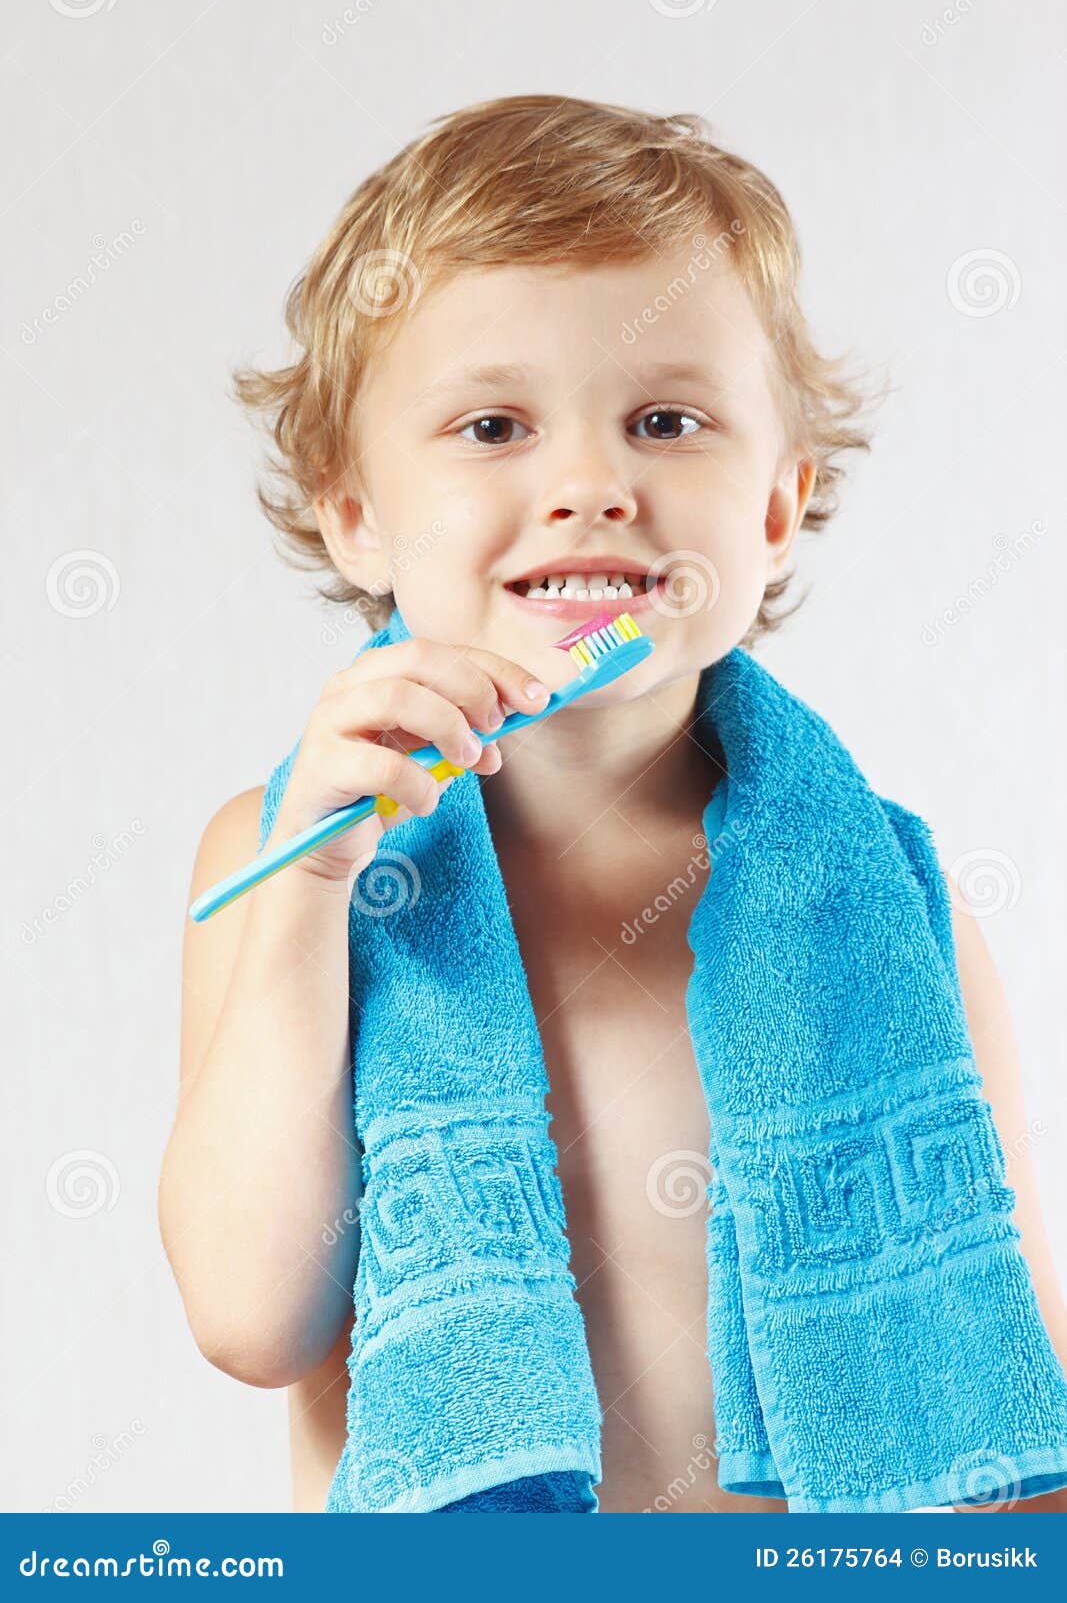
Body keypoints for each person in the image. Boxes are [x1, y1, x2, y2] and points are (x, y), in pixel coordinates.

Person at [158, 94, 1067, 1514]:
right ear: (355, 513)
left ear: (772, 509)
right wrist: (306, 895)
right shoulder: (288, 864)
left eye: (664, 418)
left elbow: (1012, 1382)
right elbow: (248, 1315)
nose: (590, 484)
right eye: (494, 424)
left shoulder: (888, 897)